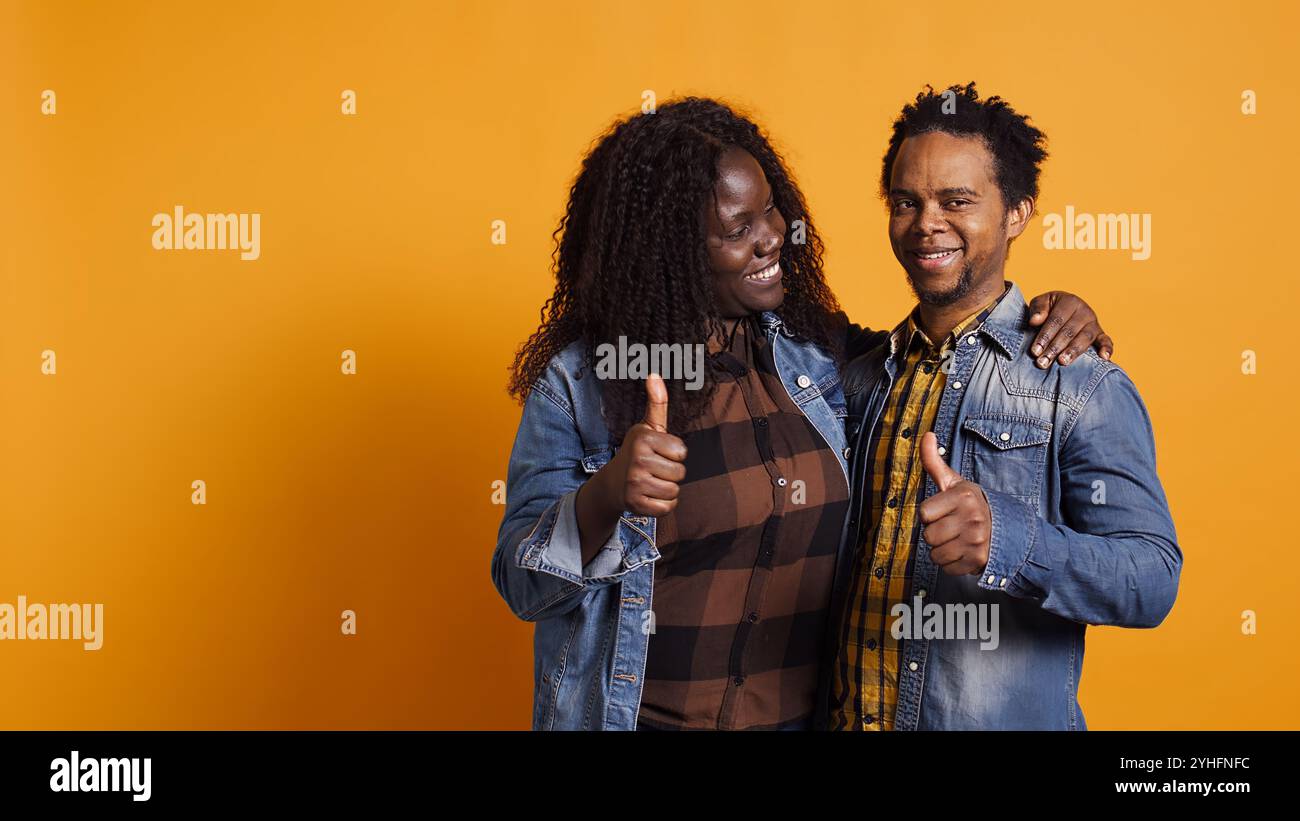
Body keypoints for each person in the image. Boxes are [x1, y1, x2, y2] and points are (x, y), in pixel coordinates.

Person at [493, 97, 1112, 730]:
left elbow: (946, 346)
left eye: (770, 210)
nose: (773, 237)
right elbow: (522, 585)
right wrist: (605, 496)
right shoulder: (584, 383)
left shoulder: (817, 355)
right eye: (739, 229)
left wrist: (1046, 312)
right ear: (670, 251)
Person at [827, 83, 1181, 730]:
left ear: (1017, 213)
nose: (927, 222)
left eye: (957, 201)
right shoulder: (859, 376)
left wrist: (1011, 541)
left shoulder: (1078, 383)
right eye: (907, 202)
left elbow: (1152, 577)